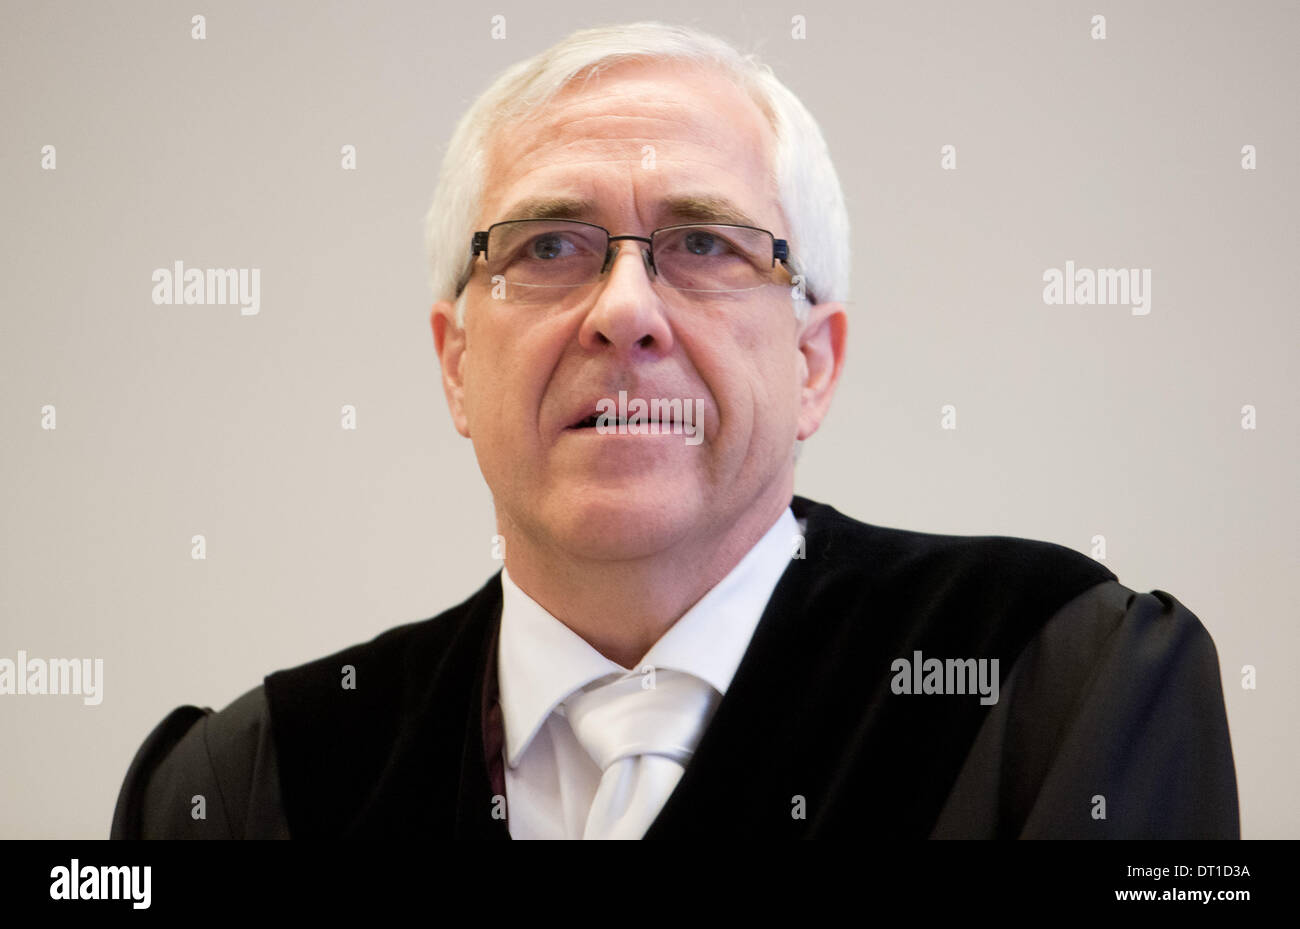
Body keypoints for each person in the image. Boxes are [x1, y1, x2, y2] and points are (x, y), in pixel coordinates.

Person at [110, 21, 1238, 840]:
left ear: (811, 362)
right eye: (549, 245)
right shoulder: (253, 787)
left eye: (703, 244)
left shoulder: (1053, 685)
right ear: (457, 364)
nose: (624, 311)